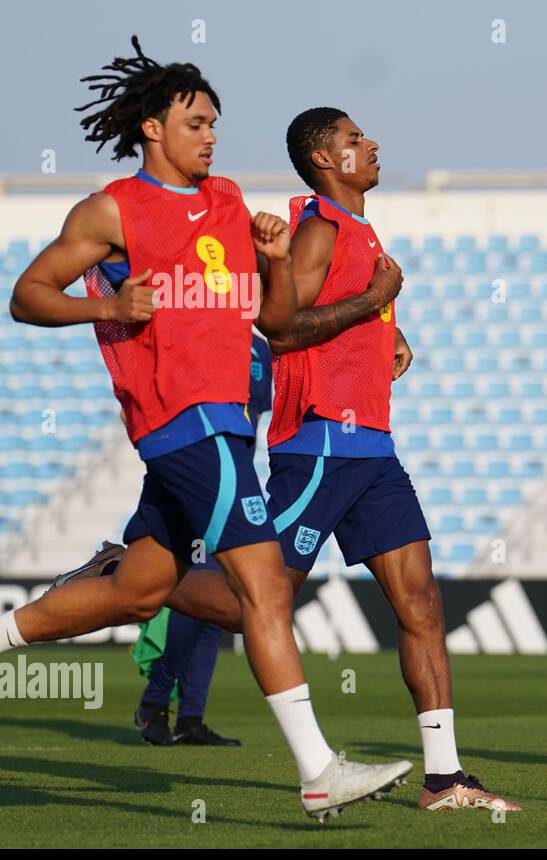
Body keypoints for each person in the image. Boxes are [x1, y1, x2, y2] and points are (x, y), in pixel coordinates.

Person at [0, 37, 411, 820]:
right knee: (264, 587)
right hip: (185, 424)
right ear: (153, 128)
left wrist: (276, 259)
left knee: (139, 589)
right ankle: (319, 770)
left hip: (225, 423)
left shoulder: (227, 201)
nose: (211, 135)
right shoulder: (114, 209)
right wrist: (110, 306)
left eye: (215, 122)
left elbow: (278, 321)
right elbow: (28, 293)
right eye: (195, 122)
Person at [129, 107, 519, 812]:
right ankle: (125, 576)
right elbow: (279, 331)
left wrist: (388, 334)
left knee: (421, 602)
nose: (370, 144)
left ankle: (444, 776)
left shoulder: (360, 228)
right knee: (262, 597)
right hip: (320, 445)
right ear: (323, 160)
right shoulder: (318, 228)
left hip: (372, 445)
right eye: (353, 139)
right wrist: (374, 301)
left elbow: (335, 320)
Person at [131, 335, 274, 747]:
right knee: (202, 596)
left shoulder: (260, 348)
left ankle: (190, 717)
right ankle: (154, 701)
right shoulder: (196, 329)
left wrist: (242, 476)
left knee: (214, 607)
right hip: (193, 472)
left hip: (231, 476)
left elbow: (254, 420)